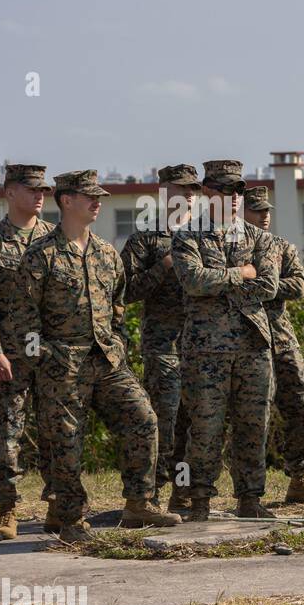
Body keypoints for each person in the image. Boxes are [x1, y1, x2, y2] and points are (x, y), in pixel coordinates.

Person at [20, 170, 180, 541]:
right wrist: (43, 358)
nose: (97, 202)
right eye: (89, 196)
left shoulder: (107, 252)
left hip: (106, 359)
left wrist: (118, 343)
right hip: (61, 363)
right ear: (66, 200)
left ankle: (138, 503)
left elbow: (118, 305)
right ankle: (70, 518)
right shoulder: (40, 255)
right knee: (66, 440)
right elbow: (22, 320)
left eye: (100, 196)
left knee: (143, 418)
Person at [171, 159, 279, 522]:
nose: (234, 197)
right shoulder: (187, 236)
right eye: (226, 190)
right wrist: (239, 274)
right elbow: (192, 281)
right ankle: (199, 500)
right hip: (205, 349)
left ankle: (250, 499)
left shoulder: (261, 238)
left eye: (239, 191)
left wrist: (220, 280)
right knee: (205, 426)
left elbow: (268, 286)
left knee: (253, 425)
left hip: (253, 346)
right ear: (207, 193)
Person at [121, 163, 198, 516]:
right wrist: (163, 266)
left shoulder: (206, 238)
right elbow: (125, 291)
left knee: (195, 424)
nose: (190, 196)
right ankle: (149, 496)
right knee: (163, 421)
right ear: (164, 193)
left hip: (201, 346)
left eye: (194, 190)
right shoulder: (144, 240)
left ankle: (183, 496)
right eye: (182, 189)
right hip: (162, 346)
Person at [0, 165, 56, 543]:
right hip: (11, 354)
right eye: (31, 189)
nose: (40, 195)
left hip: (50, 354)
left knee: (57, 431)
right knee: (9, 433)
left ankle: (59, 504)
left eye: (43, 188)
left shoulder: (54, 238)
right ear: (10, 192)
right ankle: (8, 508)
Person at [245, 186, 304, 505]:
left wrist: (262, 284)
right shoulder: (230, 250)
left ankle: (299, 479)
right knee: (253, 414)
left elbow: (299, 286)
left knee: (300, 402)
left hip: (281, 336)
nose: (265, 216)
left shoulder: (281, 246)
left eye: (267, 210)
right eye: (257, 210)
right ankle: (249, 488)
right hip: (247, 339)